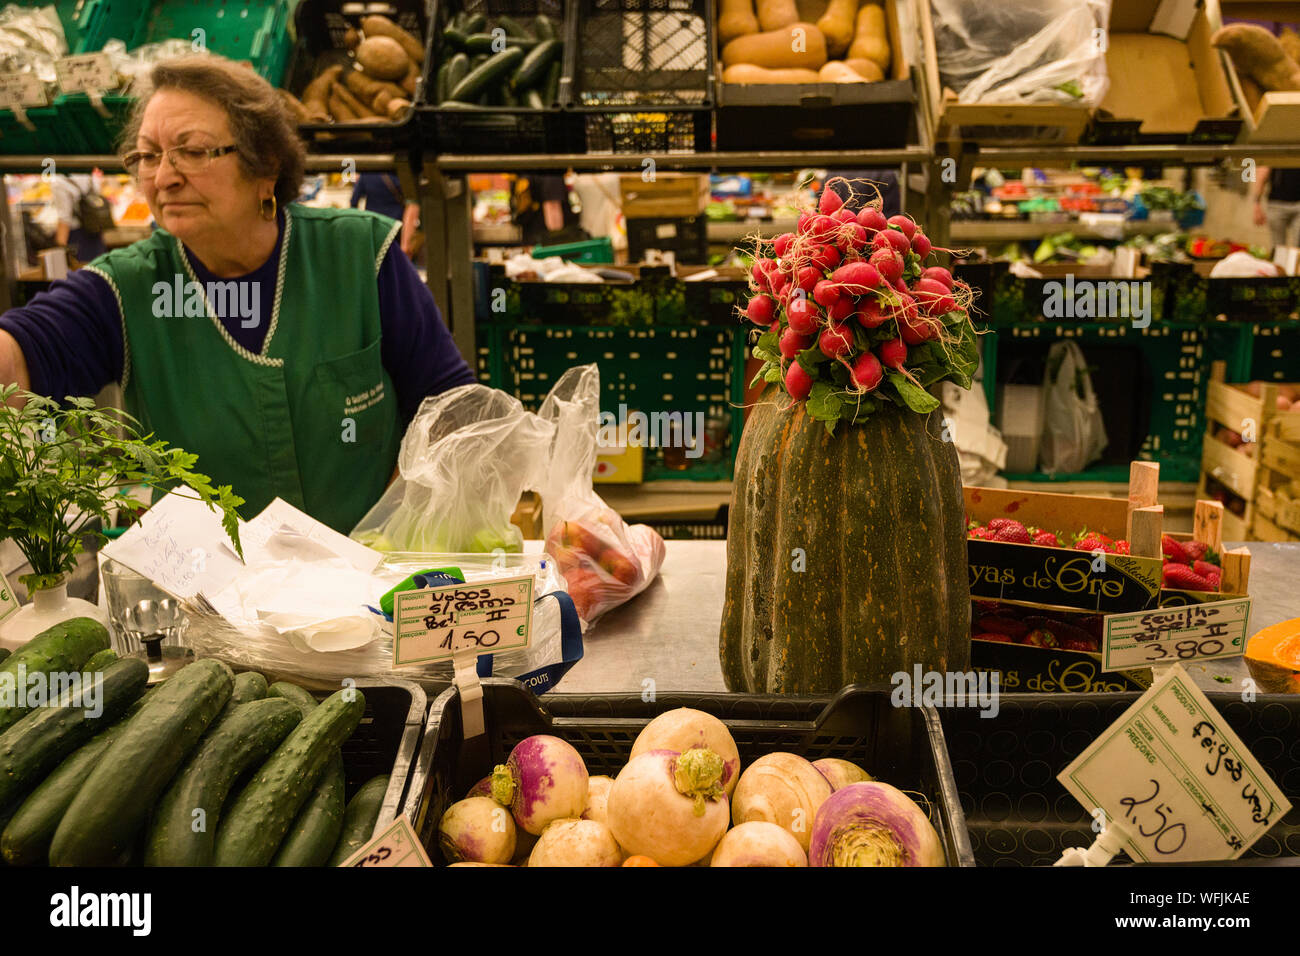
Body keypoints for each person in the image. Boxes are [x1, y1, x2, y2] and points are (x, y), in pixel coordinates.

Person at [0, 55, 476, 534]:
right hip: (208, 601)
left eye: (193, 151)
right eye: (148, 155)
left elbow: (452, 412)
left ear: (264, 164)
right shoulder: (125, 288)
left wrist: (389, 534)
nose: (164, 177)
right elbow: (22, 354)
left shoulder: (360, 255)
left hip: (370, 589)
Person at [349, 171, 423, 261]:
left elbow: (354, 201)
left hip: (373, 228)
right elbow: (412, 201)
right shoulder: (400, 175)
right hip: (397, 228)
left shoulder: (367, 174)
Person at [50, 173, 108, 264]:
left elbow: (64, 219)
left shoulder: (59, 182)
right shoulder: (87, 175)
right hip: (95, 232)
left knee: (81, 274)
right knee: (99, 271)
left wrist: (60, 250)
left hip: (76, 238)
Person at [1252, 166, 1300, 250]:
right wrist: (1257, 203)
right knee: (1279, 249)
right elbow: (1263, 172)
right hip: (1276, 204)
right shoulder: (1275, 154)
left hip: (1298, 204)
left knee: (1298, 250)